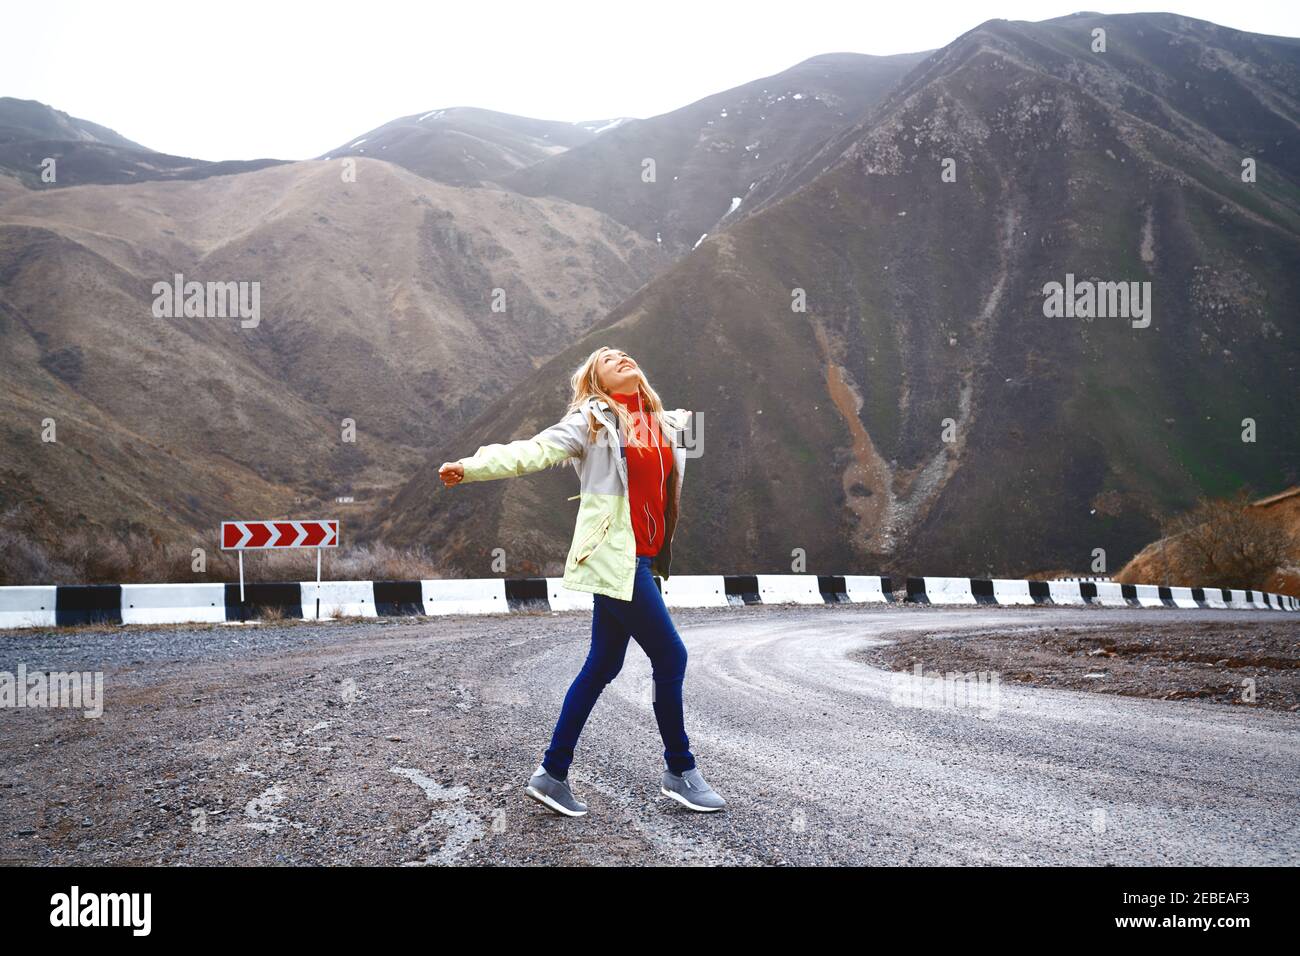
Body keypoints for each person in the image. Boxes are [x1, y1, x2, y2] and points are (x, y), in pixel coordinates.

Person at [438, 346, 725, 816]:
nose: (623, 357)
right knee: (671, 655)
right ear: (597, 383)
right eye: (609, 359)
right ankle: (680, 770)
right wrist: (470, 468)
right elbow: (531, 451)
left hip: (644, 560)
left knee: (602, 666)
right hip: (617, 560)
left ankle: (552, 775)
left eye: (626, 354)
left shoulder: (662, 423)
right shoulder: (591, 422)